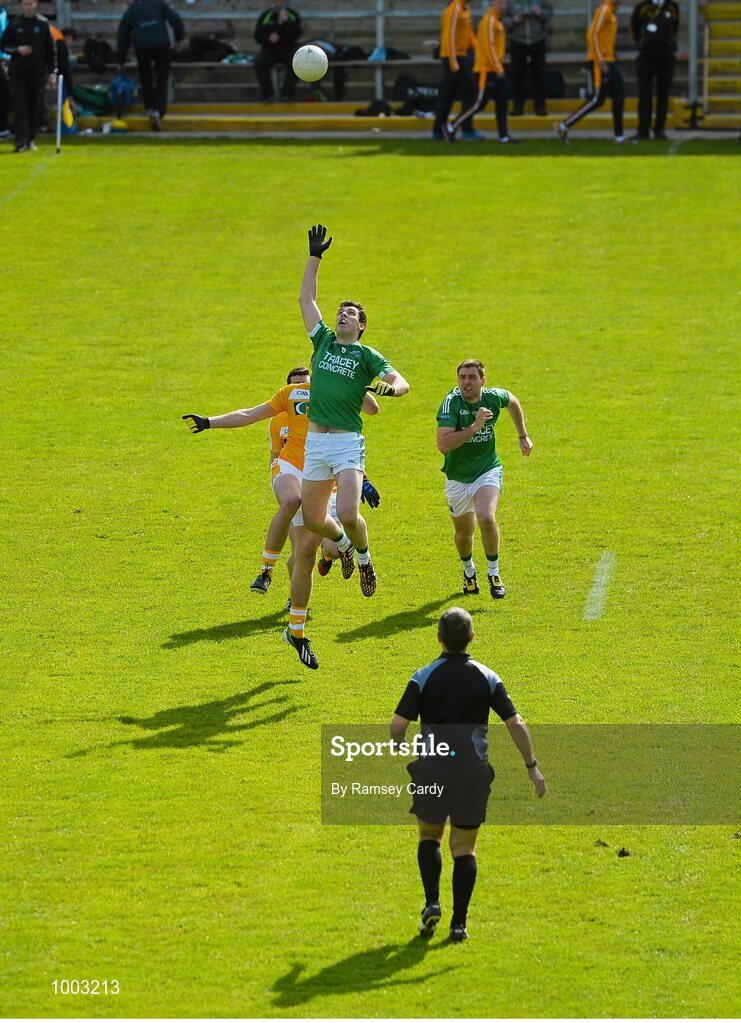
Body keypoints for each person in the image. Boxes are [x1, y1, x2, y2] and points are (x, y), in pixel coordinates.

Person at [291, 223, 409, 667]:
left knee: (346, 512)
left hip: (346, 444)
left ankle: (363, 558)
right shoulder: (321, 340)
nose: (341, 315)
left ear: (360, 326)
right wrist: (314, 257)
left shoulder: (365, 355)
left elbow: (402, 380)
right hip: (315, 446)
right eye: (340, 311)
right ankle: (343, 545)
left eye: (350, 314)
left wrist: (391, 389)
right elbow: (306, 300)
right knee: (318, 520)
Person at [390, 606, 546, 942]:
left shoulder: (423, 675)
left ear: (439, 638)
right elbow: (515, 723)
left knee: (430, 837)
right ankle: (459, 925)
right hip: (472, 773)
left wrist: (398, 744)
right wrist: (531, 766)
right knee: (464, 848)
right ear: (471, 637)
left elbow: (397, 726)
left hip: (432, 768)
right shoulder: (487, 676)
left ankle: (432, 902)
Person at [437, 360, 532, 600]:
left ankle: (494, 573)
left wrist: (523, 435)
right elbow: (443, 445)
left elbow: (512, 400)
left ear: (483, 380)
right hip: (457, 478)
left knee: (487, 517)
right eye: (462, 377)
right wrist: (475, 427)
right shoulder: (451, 403)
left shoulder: (492, 397)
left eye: (471, 377)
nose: (466, 382)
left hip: (487, 469)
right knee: (463, 533)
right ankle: (469, 572)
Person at [448, 0, 517, 144]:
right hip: (487, 71)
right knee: (478, 104)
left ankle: (503, 135)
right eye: (499, 2)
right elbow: (489, 47)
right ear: (492, 3)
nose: (503, 5)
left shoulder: (496, 21)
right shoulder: (489, 21)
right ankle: (451, 126)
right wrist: (498, 67)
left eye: (504, 2)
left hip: (494, 69)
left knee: (502, 103)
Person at [557, 0, 625, 144]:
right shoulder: (605, 9)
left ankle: (619, 136)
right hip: (601, 62)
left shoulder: (611, 10)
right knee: (597, 99)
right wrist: (600, 60)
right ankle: (564, 125)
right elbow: (592, 34)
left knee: (618, 97)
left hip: (609, 60)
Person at [116, 0, 184, 131]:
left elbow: (122, 35)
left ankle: (150, 107)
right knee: (162, 78)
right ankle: (159, 110)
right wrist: (178, 39)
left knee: (145, 78)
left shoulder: (132, 10)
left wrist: (121, 60)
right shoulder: (158, 4)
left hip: (142, 45)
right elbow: (175, 19)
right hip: (161, 44)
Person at [0, 0, 55, 153]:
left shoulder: (43, 24)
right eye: (25, 3)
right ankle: (19, 142)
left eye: (30, 3)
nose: (28, 6)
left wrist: (52, 72)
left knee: (33, 107)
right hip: (18, 72)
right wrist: (17, 50)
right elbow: (4, 45)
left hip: (37, 73)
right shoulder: (15, 23)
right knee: (19, 106)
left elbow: (51, 51)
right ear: (21, 5)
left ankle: (30, 139)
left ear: (35, 4)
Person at [432, 0, 482, 141]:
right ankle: (464, 129)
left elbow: (470, 34)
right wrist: (454, 62)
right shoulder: (455, 9)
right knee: (472, 92)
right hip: (454, 57)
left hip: (458, 56)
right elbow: (449, 37)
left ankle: (438, 131)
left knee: (448, 94)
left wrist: (480, 52)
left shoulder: (464, 8)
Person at [630, 0, 679, 140]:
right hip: (646, 56)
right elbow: (635, 27)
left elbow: (675, 28)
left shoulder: (672, 7)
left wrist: (667, 44)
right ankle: (643, 129)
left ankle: (659, 129)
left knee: (663, 93)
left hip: (666, 57)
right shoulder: (642, 7)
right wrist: (643, 43)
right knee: (644, 94)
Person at [503, 0, 552, 116]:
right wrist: (513, 21)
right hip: (517, 41)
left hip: (538, 40)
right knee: (518, 74)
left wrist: (539, 12)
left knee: (539, 74)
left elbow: (549, 13)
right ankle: (518, 106)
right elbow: (503, 18)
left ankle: (540, 106)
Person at [253, 0, 302, 103]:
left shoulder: (293, 16)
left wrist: (286, 22)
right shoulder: (266, 16)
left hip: (287, 49)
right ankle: (268, 95)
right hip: (270, 50)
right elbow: (257, 36)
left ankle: (286, 95)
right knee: (260, 64)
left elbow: (297, 34)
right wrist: (268, 38)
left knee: (297, 63)